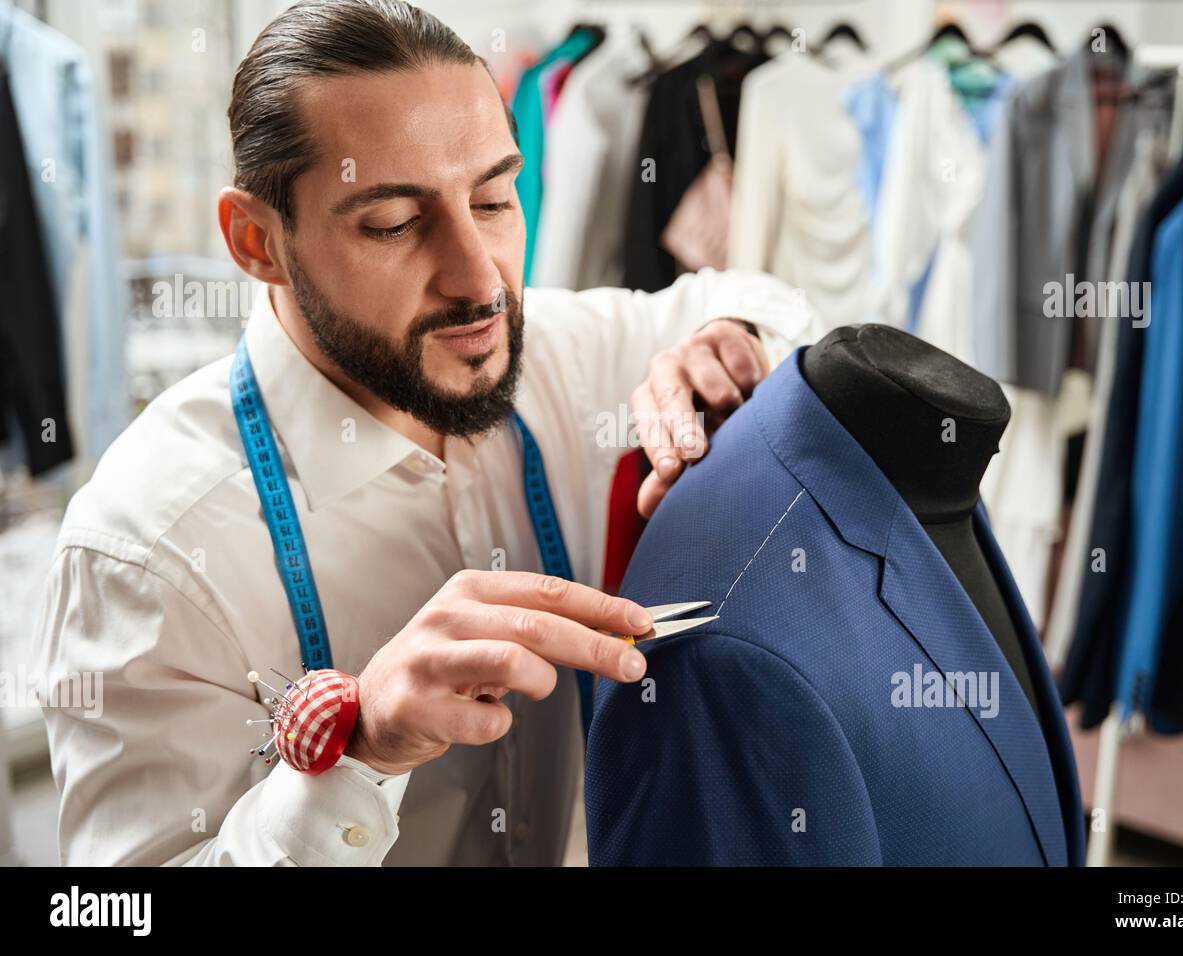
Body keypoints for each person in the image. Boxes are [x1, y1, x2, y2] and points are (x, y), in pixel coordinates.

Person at [32, 0, 816, 865]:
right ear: (258, 240)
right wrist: (358, 756)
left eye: (492, 198)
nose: (480, 279)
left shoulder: (565, 352)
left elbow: (780, 307)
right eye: (395, 224)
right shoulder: (147, 550)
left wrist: (732, 344)